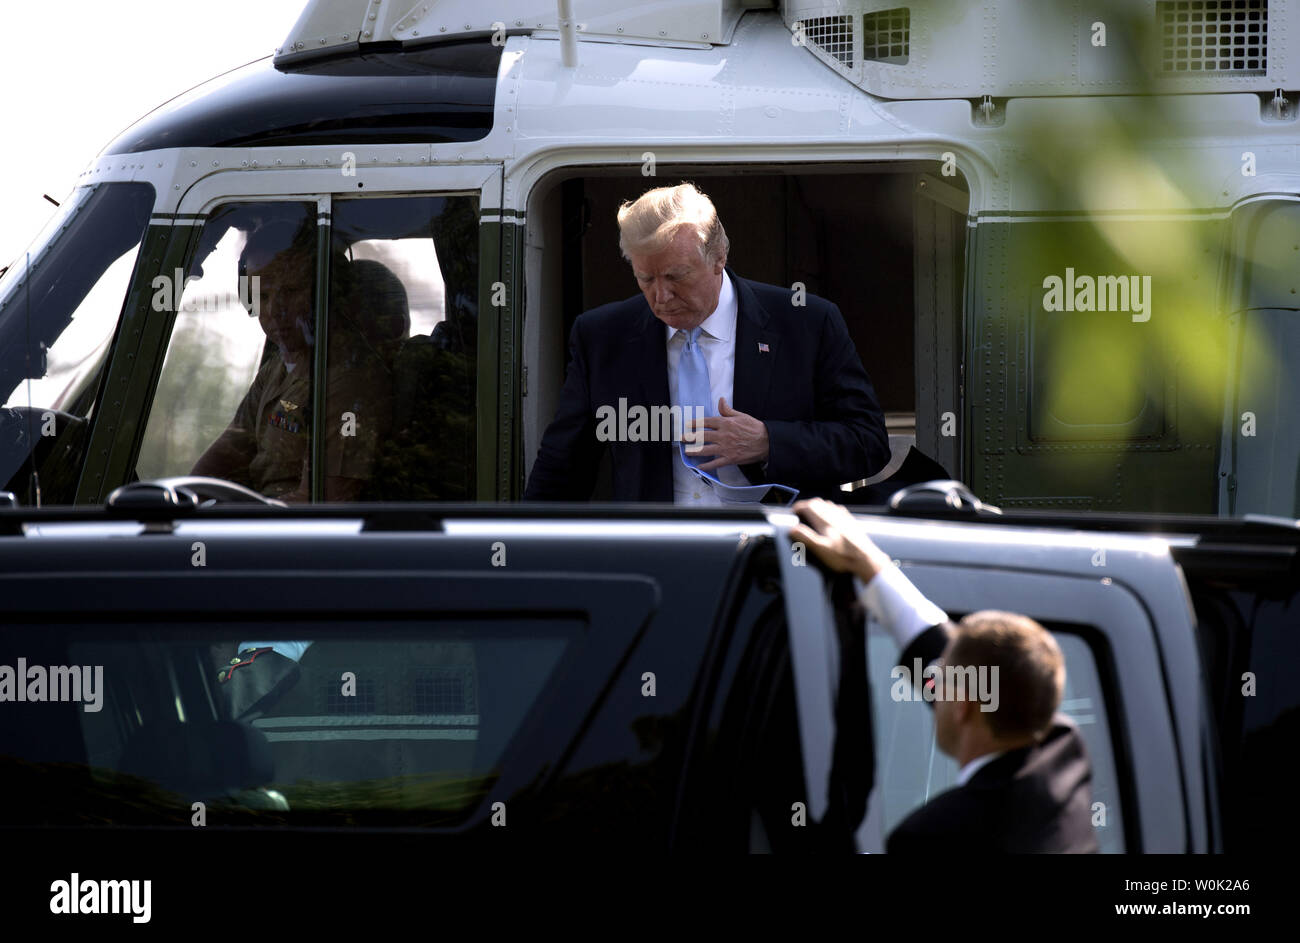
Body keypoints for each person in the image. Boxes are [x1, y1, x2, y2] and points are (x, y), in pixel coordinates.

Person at [525, 183, 890, 505]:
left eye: (675, 276)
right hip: (661, 559)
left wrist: (769, 441)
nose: (661, 296)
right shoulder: (603, 336)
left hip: (776, 554)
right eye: (645, 278)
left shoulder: (807, 322)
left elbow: (868, 444)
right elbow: (563, 467)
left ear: (719, 258)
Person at [791, 498, 1100, 853]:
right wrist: (870, 565)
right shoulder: (1066, 758)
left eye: (939, 675)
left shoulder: (929, 838)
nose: (931, 681)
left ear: (964, 706)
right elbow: (980, 674)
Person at [191, 222, 393, 503]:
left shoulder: (346, 382)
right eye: (262, 296)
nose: (274, 310)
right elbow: (227, 454)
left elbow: (323, 507)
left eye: (291, 291)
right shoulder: (279, 367)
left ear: (327, 290)